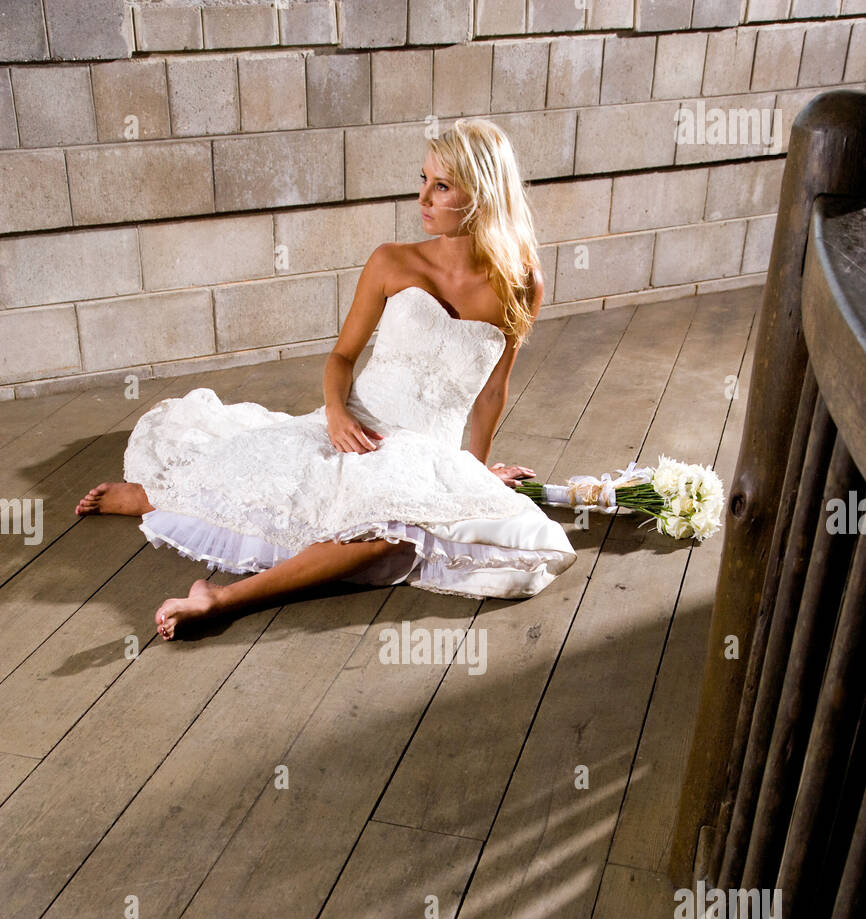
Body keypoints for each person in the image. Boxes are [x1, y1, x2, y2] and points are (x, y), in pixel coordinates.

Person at [75, 117, 578, 640]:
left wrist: (470, 471)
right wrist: (337, 415)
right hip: (361, 426)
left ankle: (219, 598)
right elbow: (341, 356)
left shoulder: (522, 284)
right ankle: (154, 494)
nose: (423, 198)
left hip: (425, 452)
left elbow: (493, 389)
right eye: (423, 180)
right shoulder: (391, 261)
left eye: (442, 186)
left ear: (482, 195)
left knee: (392, 531)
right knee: (275, 486)